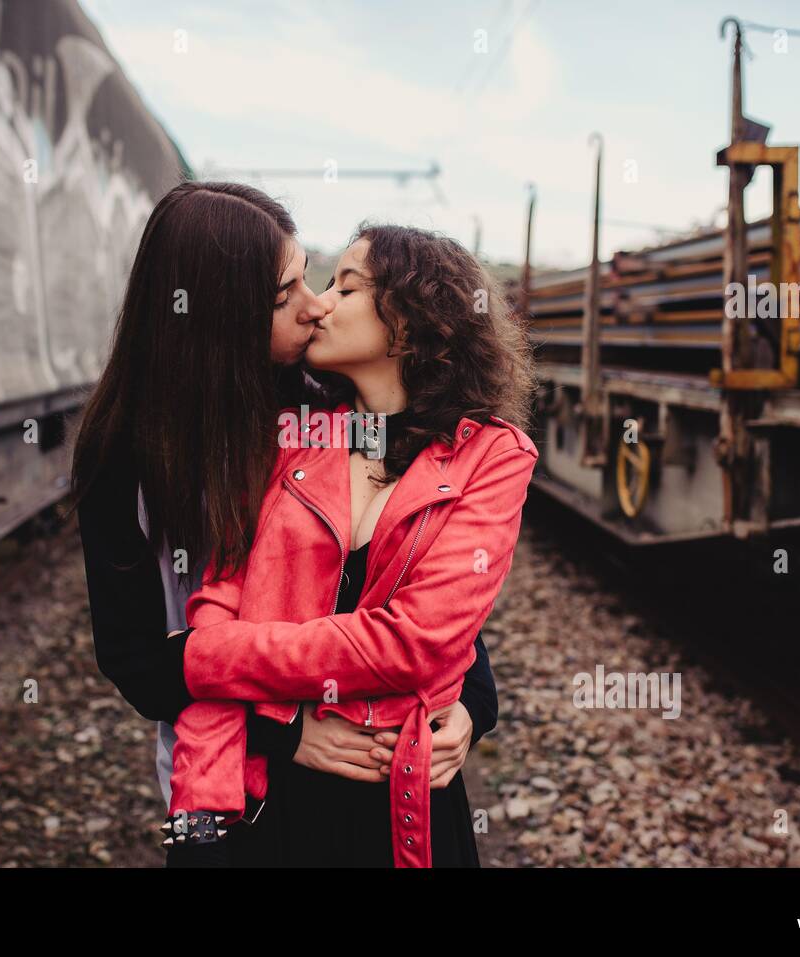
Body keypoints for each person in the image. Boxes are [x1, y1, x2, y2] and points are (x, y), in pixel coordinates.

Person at [68, 183, 499, 864]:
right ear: (218, 318)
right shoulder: (124, 453)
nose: (314, 305)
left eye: (312, 279)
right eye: (282, 297)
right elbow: (136, 656)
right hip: (226, 774)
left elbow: (425, 581)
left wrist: (474, 699)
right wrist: (286, 731)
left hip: (359, 767)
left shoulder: (320, 401)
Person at [164, 224, 537, 867]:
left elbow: (418, 640)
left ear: (413, 321)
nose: (321, 304)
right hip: (270, 790)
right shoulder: (288, 437)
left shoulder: (492, 456)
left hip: (396, 797)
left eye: (347, 284)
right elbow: (221, 597)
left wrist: (203, 660)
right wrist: (227, 779)